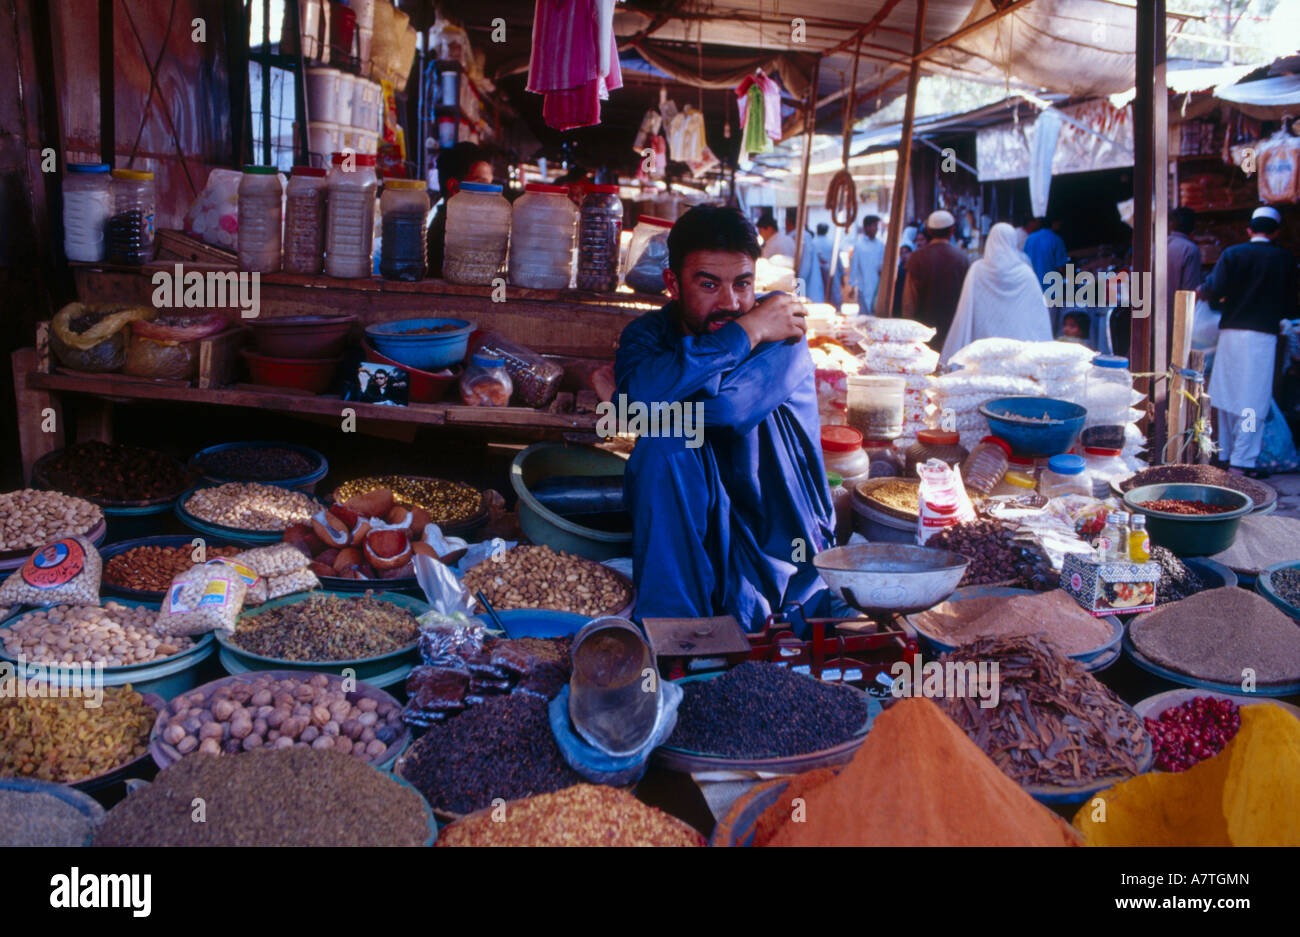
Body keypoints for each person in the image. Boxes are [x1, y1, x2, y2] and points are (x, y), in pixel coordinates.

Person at [614, 206, 839, 631]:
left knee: (665, 435)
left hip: (775, 540)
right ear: (672, 284)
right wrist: (745, 333)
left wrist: (635, 399)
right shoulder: (649, 334)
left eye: (743, 283)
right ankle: (675, 637)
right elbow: (636, 403)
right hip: (697, 519)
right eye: (708, 285)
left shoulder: (782, 329)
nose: (731, 302)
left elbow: (728, 412)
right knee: (663, 450)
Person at [1200, 206, 1298, 478]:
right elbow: (1291, 304)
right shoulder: (1285, 259)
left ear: (1249, 229)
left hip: (1231, 335)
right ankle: (1243, 462)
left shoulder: (1233, 254)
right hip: (1262, 338)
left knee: (1227, 396)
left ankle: (1226, 454)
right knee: (1252, 401)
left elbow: (1214, 289)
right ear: (1276, 232)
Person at [940, 222, 1053, 364]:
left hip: (981, 350)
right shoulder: (1025, 274)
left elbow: (965, 312)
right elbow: (1038, 318)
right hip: (1019, 356)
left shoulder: (977, 271)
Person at [902, 210, 972, 349]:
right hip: (953, 333)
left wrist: (907, 333)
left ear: (928, 231)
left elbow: (909, 301)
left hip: (922, 334)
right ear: (952, 230)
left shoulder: (917, 258)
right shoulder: (962, 259)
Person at [426, 142, 493, 279]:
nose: (490, 193)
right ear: (454, 187)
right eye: (481, 184)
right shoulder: (445, 232)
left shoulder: (467, 226)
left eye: (490, 185)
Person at [1168, 207, 1203, 316]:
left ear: (1171, 224)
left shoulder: (1154, 246)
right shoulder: (1190, 249)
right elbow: (1189, 292)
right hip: (1176, 317)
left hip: (1149, 317)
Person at [849, 215, 885, 312]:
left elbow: (882, 267)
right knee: (864, 318)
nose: (876, 229)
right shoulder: (859, 246)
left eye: (876, 226)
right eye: (874, 226)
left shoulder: (881, 246)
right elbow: (854, 267)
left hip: (876, 288)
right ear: (866, 227)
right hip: (863, 287)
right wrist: (852, 286)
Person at [1024, 216, 1068, 290]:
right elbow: (1061, 267)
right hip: (1051, 287)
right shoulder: (1056, 239)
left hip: (1033, 286)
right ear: (1054, 223)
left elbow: (1024, 261)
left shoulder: (1030, 238)